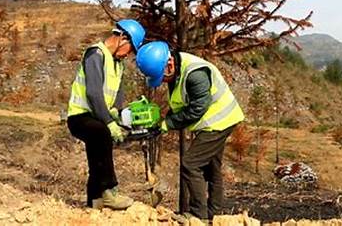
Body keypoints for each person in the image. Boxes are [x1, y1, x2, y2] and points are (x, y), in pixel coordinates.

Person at [136, 41, 245, 220]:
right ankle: (214, 216)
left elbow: (197, 108)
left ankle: (198, 216)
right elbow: (181, 103)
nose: (162, 81)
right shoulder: (176, 71)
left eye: (160, 77)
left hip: (219, 121)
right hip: (216, 121)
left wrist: (168, 124)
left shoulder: (195, 74)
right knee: (212, 167)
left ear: (169, 64)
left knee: (191, 163)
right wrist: (162, 123)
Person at [67, 19, 145, 209]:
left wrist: (119, 116)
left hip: (98, 117)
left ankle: (95, 200)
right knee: (101, 134)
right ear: (123, 39)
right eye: (130, 49)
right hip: (80, 116)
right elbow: (93, 93)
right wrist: (110, 123)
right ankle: (109, 190)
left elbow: (117, 97)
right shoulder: (96, 54)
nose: (128, 55)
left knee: (98, 150)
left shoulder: (118, 64)